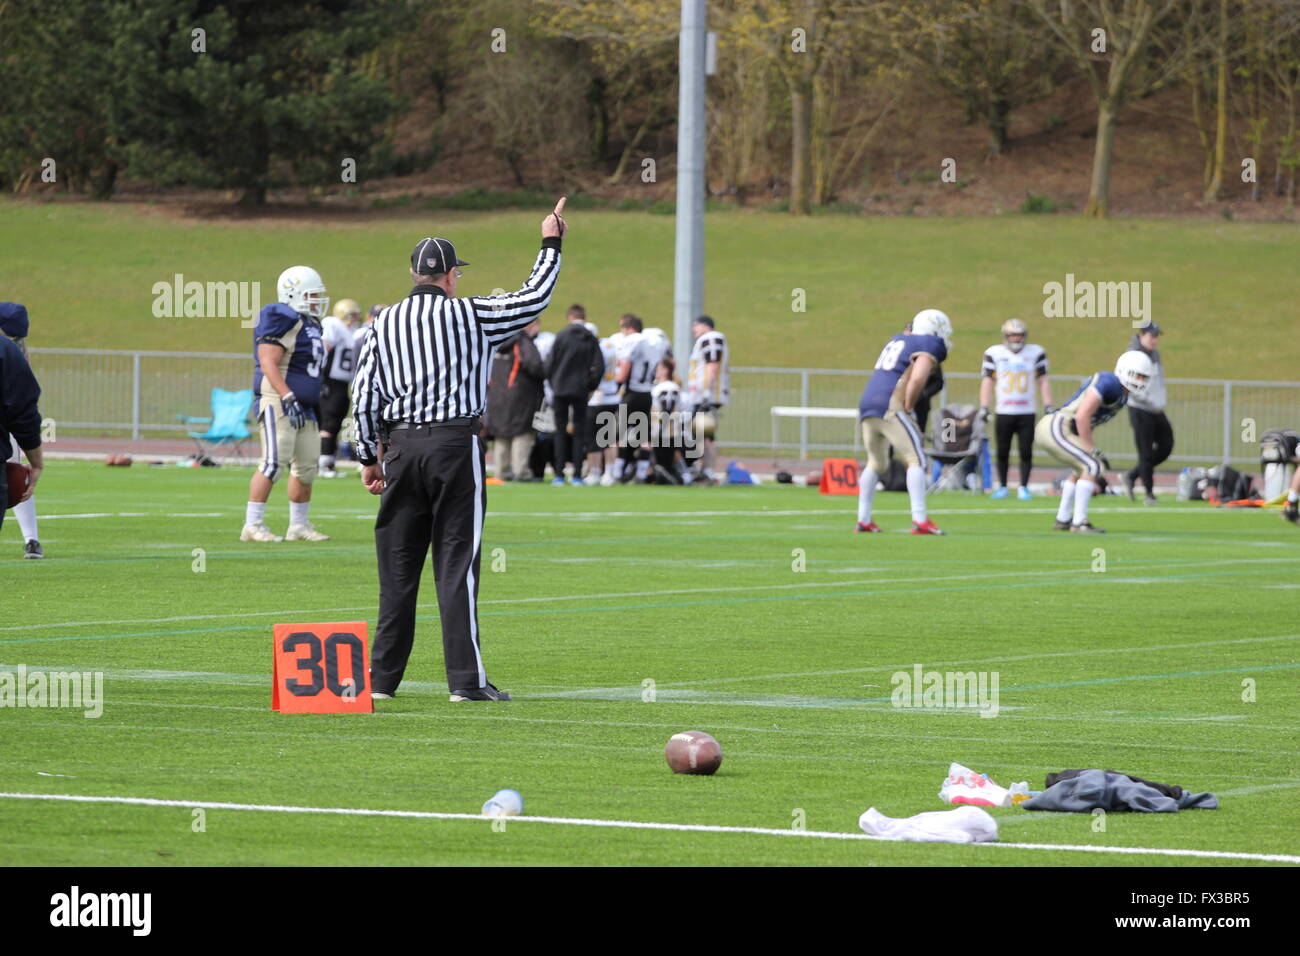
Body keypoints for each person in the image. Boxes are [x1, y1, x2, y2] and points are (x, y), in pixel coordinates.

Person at [351, 197, 567, 701]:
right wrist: (551, 242)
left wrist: (368, 456)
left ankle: (381, 681)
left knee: (398, 567)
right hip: (455, 445)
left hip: (402, 447)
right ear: (450, 276)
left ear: (412, 273)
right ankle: (465, 682)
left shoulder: (381, 323)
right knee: (456, 563)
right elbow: (533, 299)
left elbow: (364, 395)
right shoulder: (470, 315)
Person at [241, 266, 331, 543]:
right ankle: (252, 524)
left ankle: (298, 525)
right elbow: (267, 360)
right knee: (272, 463)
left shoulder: (312, 324)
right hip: (279, 399)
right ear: (294, 294)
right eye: (312, 295)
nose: (317, 301)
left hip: (305, 405)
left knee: (307, 466)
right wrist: (287, 394)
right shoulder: (281, 316)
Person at [855, 309, 951, 535]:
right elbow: (918, 377)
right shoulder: (929, 343)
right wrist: (908, 405)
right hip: (890, 404)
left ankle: (863, 519)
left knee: (876, 463)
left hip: (868, 402)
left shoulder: (898, 338)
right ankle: (920, 520)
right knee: (916, 458)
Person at [1037, 351, 1154, 534]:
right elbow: (1083, 415)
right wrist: (1091, 448)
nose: (1141, 380)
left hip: (1061, 428)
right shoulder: (1110, 382)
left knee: (1082, 469)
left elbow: (1086, 421)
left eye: (1144, 377)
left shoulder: (1121, 394)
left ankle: (1063, 518)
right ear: (1125, 371)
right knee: (1092, 465)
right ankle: (1079, 522)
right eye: (1138, 375)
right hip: (1058, 425)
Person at [980, 318, 1051, 500]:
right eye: (1012, 335)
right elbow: (987, 381)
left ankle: (1023, 487)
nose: (1016, 339)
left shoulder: (1035, 353)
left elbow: (1042, 380)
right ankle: (1002, 486)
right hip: (1004, 410)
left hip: (1027, 411)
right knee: (1002, 451)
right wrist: (984, 406)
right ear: (1006, 336)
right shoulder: (994, 353)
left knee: (1026, 451)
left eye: (1019, 335)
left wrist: (1048, 404)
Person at [545, 303, 604, 485]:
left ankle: (559, 474)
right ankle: (577, 474)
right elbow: (599, 366)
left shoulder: (561, 336)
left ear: (569, 317)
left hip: (561, 389)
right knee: (580, 432)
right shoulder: (589, 337)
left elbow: (549, 364)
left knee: (560, 431)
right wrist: (590, 386)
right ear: (583, 317)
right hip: (580, 389)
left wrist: (554, 382)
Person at [1, 303, 43, 557]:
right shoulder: (11, 349)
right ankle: (31, 538)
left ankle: (31, 538)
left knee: (14, 472)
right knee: (15, 473)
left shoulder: (12, 346)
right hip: (9, 421)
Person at [485, 319, 544, 480]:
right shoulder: (522, 342)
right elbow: (535, 366)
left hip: (496, 396)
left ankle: (501, 471)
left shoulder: (497, 341)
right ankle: (521, 471)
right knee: (522, 433)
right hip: (521, 396)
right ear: (530, 325)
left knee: (501, 434)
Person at [1122, 321, 1173, 505]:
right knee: (1145, 451)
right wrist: (1147, 399)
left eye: (1157, 336)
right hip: (1140, 408)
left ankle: (1133, 474)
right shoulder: (1132, 356)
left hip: (1156, 408)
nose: (1155, 340)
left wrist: (1159, 401)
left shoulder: (1155, 355)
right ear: (1141, 335)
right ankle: (1149, 493)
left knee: (1166, 446)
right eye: (1152, 335)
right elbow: (1129, 383)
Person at [318, 298, 362, 478]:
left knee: (334, 423)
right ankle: (324, 463)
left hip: (342, 383)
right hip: (330, 381)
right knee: (328, 424)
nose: (355, 318)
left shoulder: (352, 332)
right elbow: (324, 347)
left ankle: (328, 462)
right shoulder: (333, 324)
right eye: (352, 315)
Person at [686, 315, 729, 483]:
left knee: (703, 435)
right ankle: (706, 470)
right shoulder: (708, 339)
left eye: (695, 326)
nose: (693, 330)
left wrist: (705, 392)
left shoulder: (711, 338)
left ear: (705, 325)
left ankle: (706, 470)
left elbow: (712, 364)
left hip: (708, 396)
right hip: (705, 395)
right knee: (705, 435)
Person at [613, 314, 655, 483]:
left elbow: (625, 366)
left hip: (632, 392)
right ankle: (642, 473)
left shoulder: (633, 340)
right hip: (647, 393)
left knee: (619, 433)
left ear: (629, 328)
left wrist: (616, 384)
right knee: (644, 436)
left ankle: (617, 472)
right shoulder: (651, 342)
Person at [584, 321, 621, 485]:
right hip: (613, 395)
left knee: (594, 438)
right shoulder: (609, 345)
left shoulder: (593, 348)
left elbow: (592, 371)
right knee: (609, 437)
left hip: (597, 397)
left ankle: (595, 472)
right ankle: (609, 473)